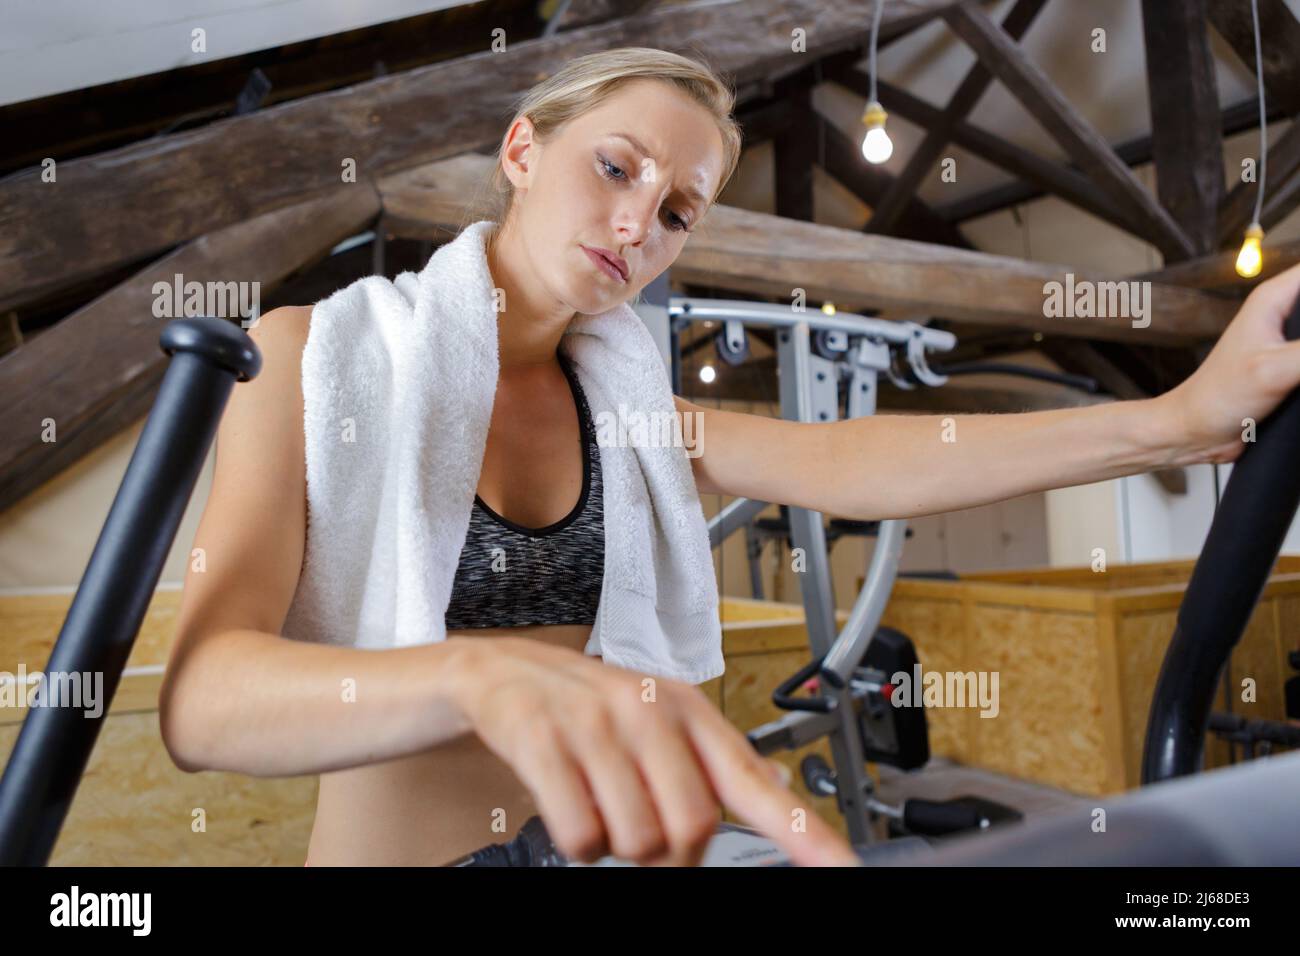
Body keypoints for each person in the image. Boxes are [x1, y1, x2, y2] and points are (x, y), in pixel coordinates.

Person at [159, 46, 1300, 868]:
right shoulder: (314, 354)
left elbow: (862, 458)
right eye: (616, 168)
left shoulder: (629, 411)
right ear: (521, 147)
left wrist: (1182, 417)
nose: (638, 224)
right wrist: (479, 671)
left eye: (678, 211)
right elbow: (204, 702)